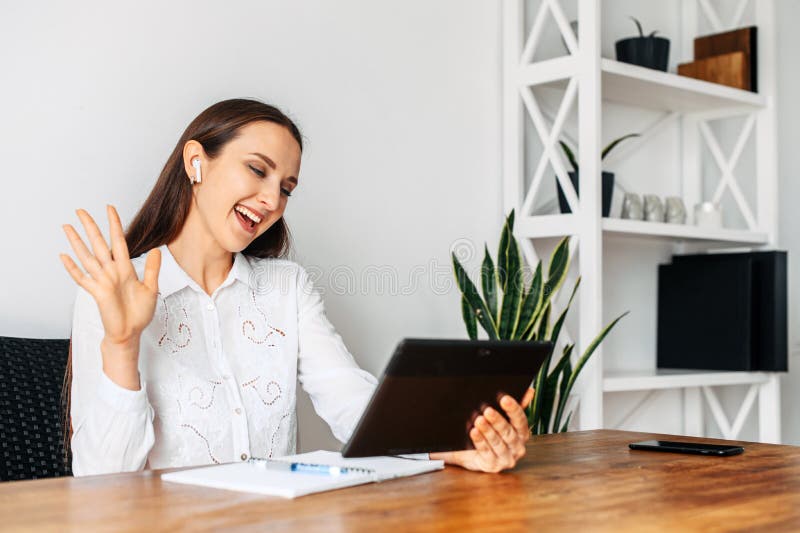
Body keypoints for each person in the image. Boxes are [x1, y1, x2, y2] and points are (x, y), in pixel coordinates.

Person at [61, 98, 534, 477]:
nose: (271, 200)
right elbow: (99, 478)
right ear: (196, 162)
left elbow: (352, 403)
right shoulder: (111, 294)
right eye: (257, 169)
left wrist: (458, 447)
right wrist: (122, 345)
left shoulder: (286, 289)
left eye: (286, 187)